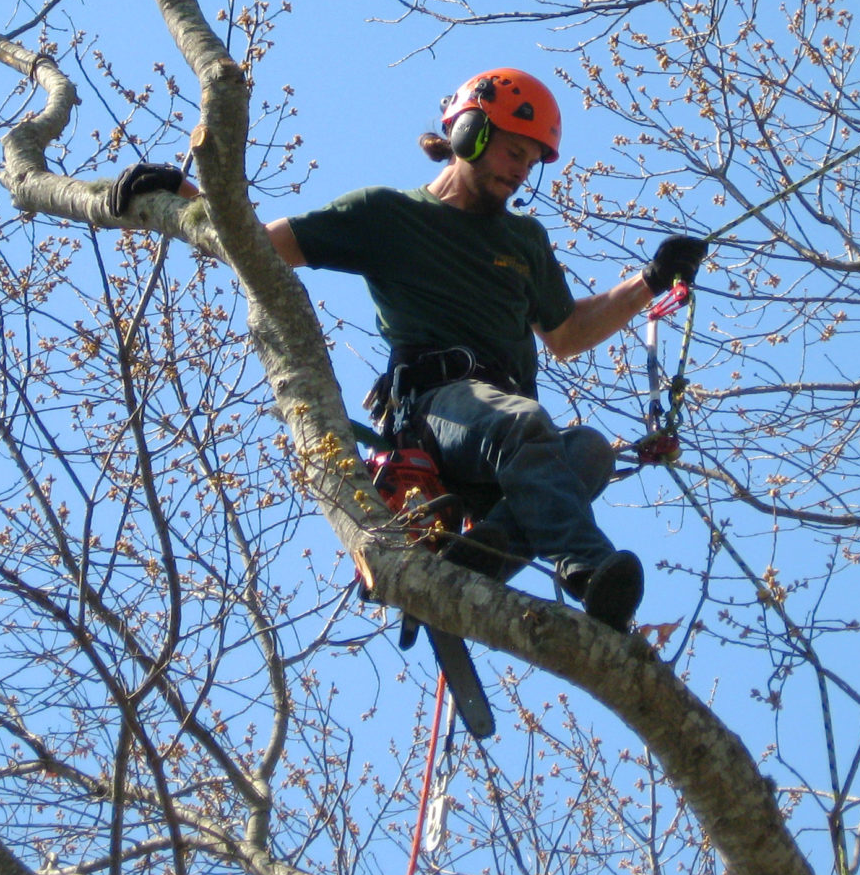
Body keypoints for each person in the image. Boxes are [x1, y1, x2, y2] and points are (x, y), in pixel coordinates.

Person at [108, 68, 706, 632]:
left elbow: (567, 333)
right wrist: (184, 195)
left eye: (530, 161)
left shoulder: (524, 240)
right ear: (470, 134)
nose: (522, 171)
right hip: (436, 410)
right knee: (523, 424)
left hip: (507, 444)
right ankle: (589, 569)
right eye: (513, 151)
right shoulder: (387, 215)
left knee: (592, 452)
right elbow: (257, 248)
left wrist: (651, 279)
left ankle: (473, 560)